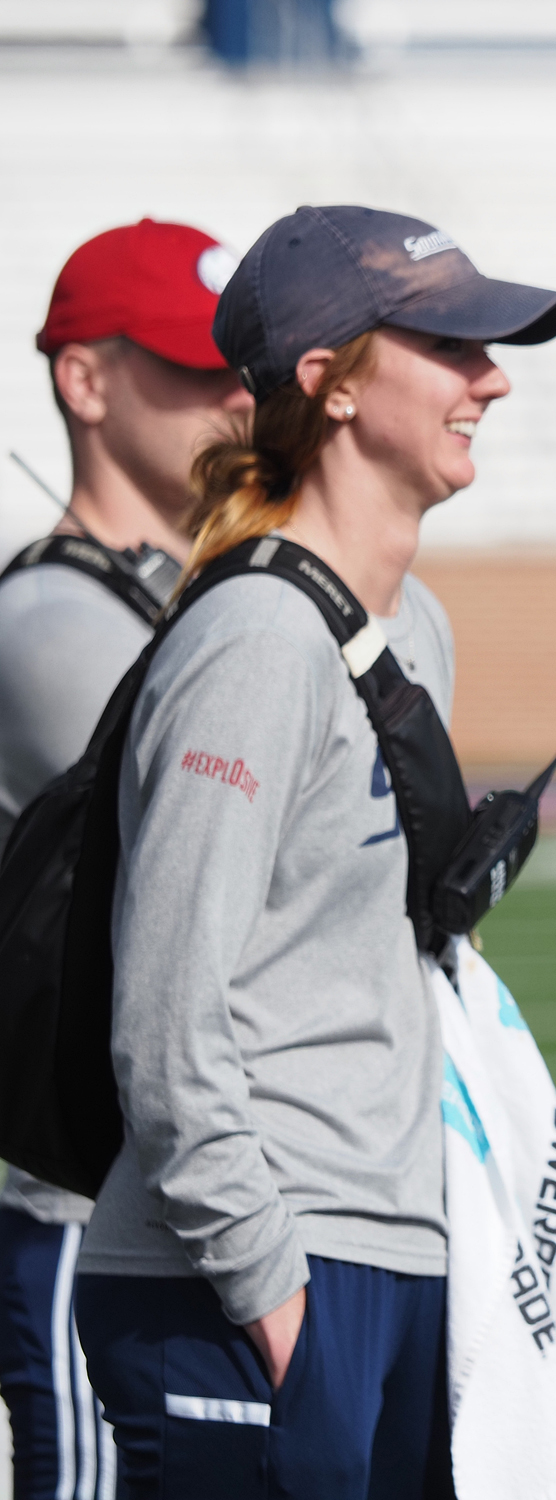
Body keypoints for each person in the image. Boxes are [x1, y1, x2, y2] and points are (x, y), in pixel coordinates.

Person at [67, 205, 556, 1499]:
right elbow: (165, 1014)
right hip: (243, 1278)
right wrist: (273, 1294)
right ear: (328, 382)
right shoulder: (251, 644)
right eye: (453, 344)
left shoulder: (424, 632)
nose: (493, 377)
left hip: (398, 1258)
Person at [0, 217, 251, 1500]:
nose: (238, 393)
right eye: (192, 366)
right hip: (80, 1208)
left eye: (240, 364)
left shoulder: (188, 593)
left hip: (176, 1199)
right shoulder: (51, 619)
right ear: (83, 382)